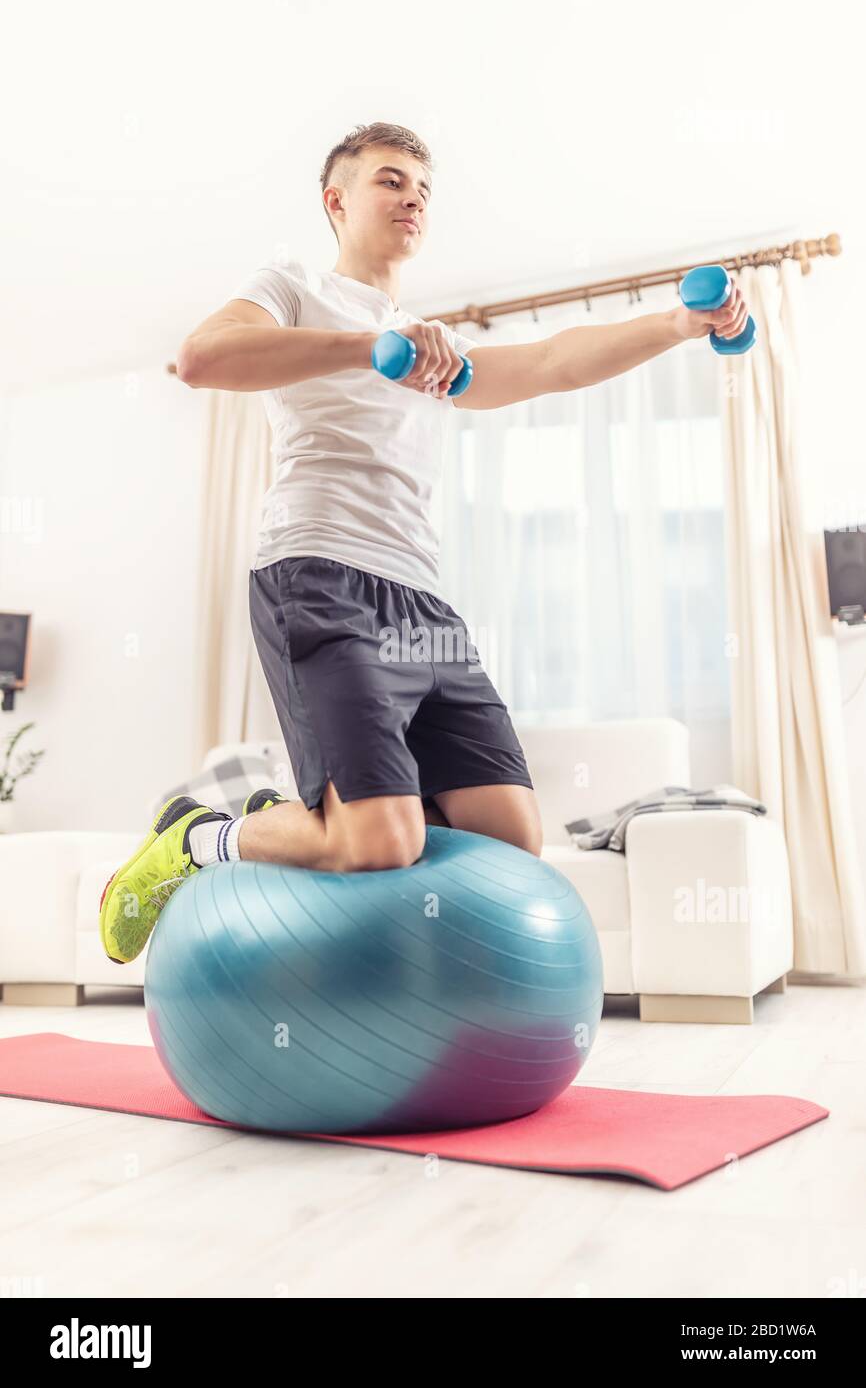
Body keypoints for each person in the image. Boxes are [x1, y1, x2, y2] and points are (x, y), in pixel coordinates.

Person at [99, 121, 751, 964]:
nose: (412, 198)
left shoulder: (433, 349)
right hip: (317, 571)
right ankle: (199, 839)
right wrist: (368, 349)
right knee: (378, 841)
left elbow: (553, 359)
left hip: (422, 602)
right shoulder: (297, 287)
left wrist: (676, 325)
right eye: (390, 181)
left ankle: (330, 822)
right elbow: (201, 357)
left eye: (423, 189)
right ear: (336, 200)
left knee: (511, 833)